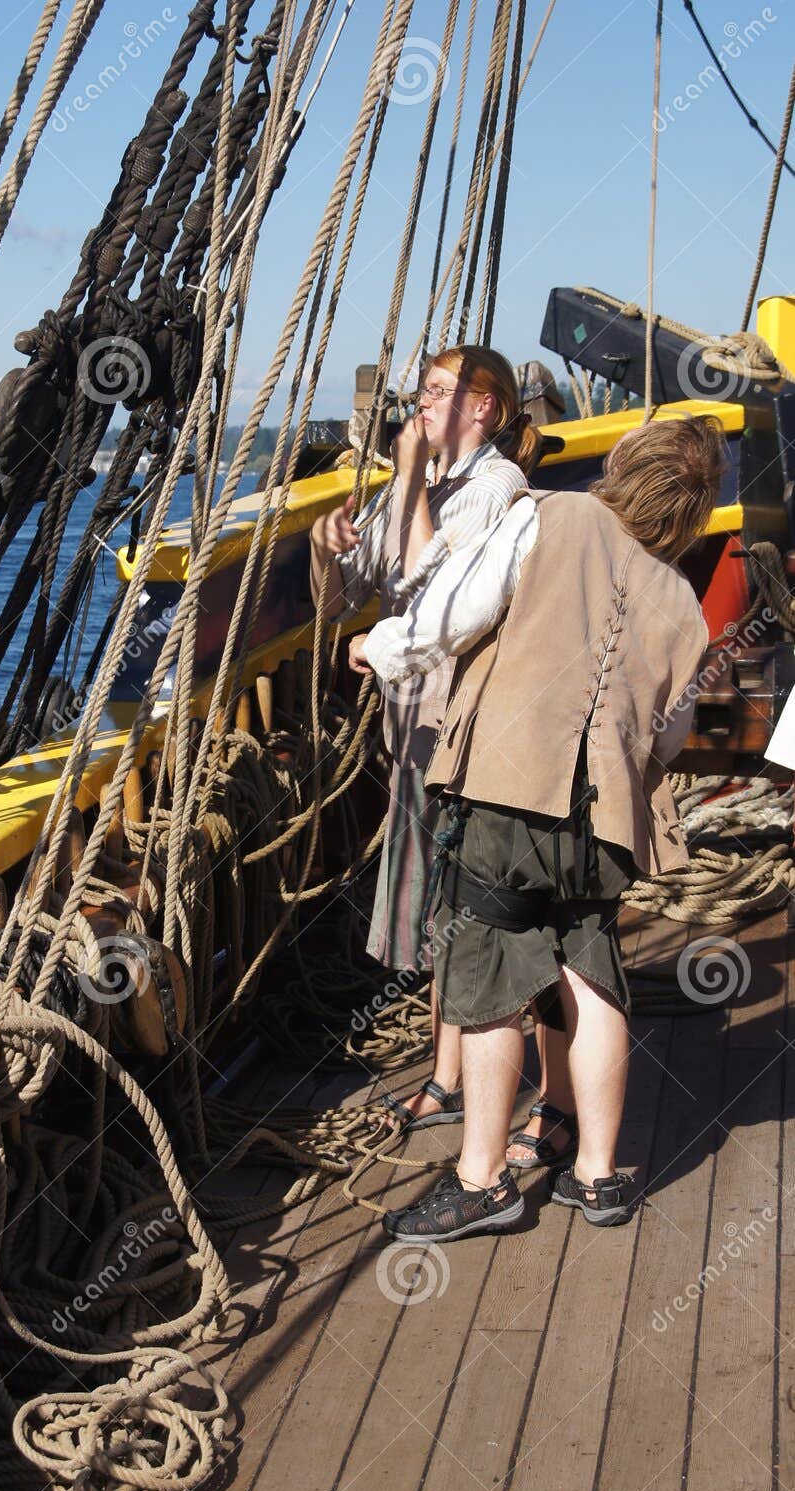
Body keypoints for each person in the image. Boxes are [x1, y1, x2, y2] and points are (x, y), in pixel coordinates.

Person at [355, 413, 723, 1240]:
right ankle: (597, 1175)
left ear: (625, 465)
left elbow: (453, 611)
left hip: (508, 791)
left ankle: (482, 1182)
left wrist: (380, 649)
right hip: (604, 819)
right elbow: (664, 734)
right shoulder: (681, 602)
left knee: (486, 980)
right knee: (589, 975)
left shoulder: (548, 515)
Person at [310, 345, 542, 1131]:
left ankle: (450, 1082)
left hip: (459, 732)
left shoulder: (492, 489)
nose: (419, 404)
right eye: (421, 391)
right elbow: (348, 596)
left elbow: (424, 597)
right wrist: (324, 544)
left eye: (438, 392)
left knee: (457, 908)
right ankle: (447, 1073)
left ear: (483, 408)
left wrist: (406, 480)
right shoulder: (424, 486)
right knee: (437, 906)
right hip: (410, 737)